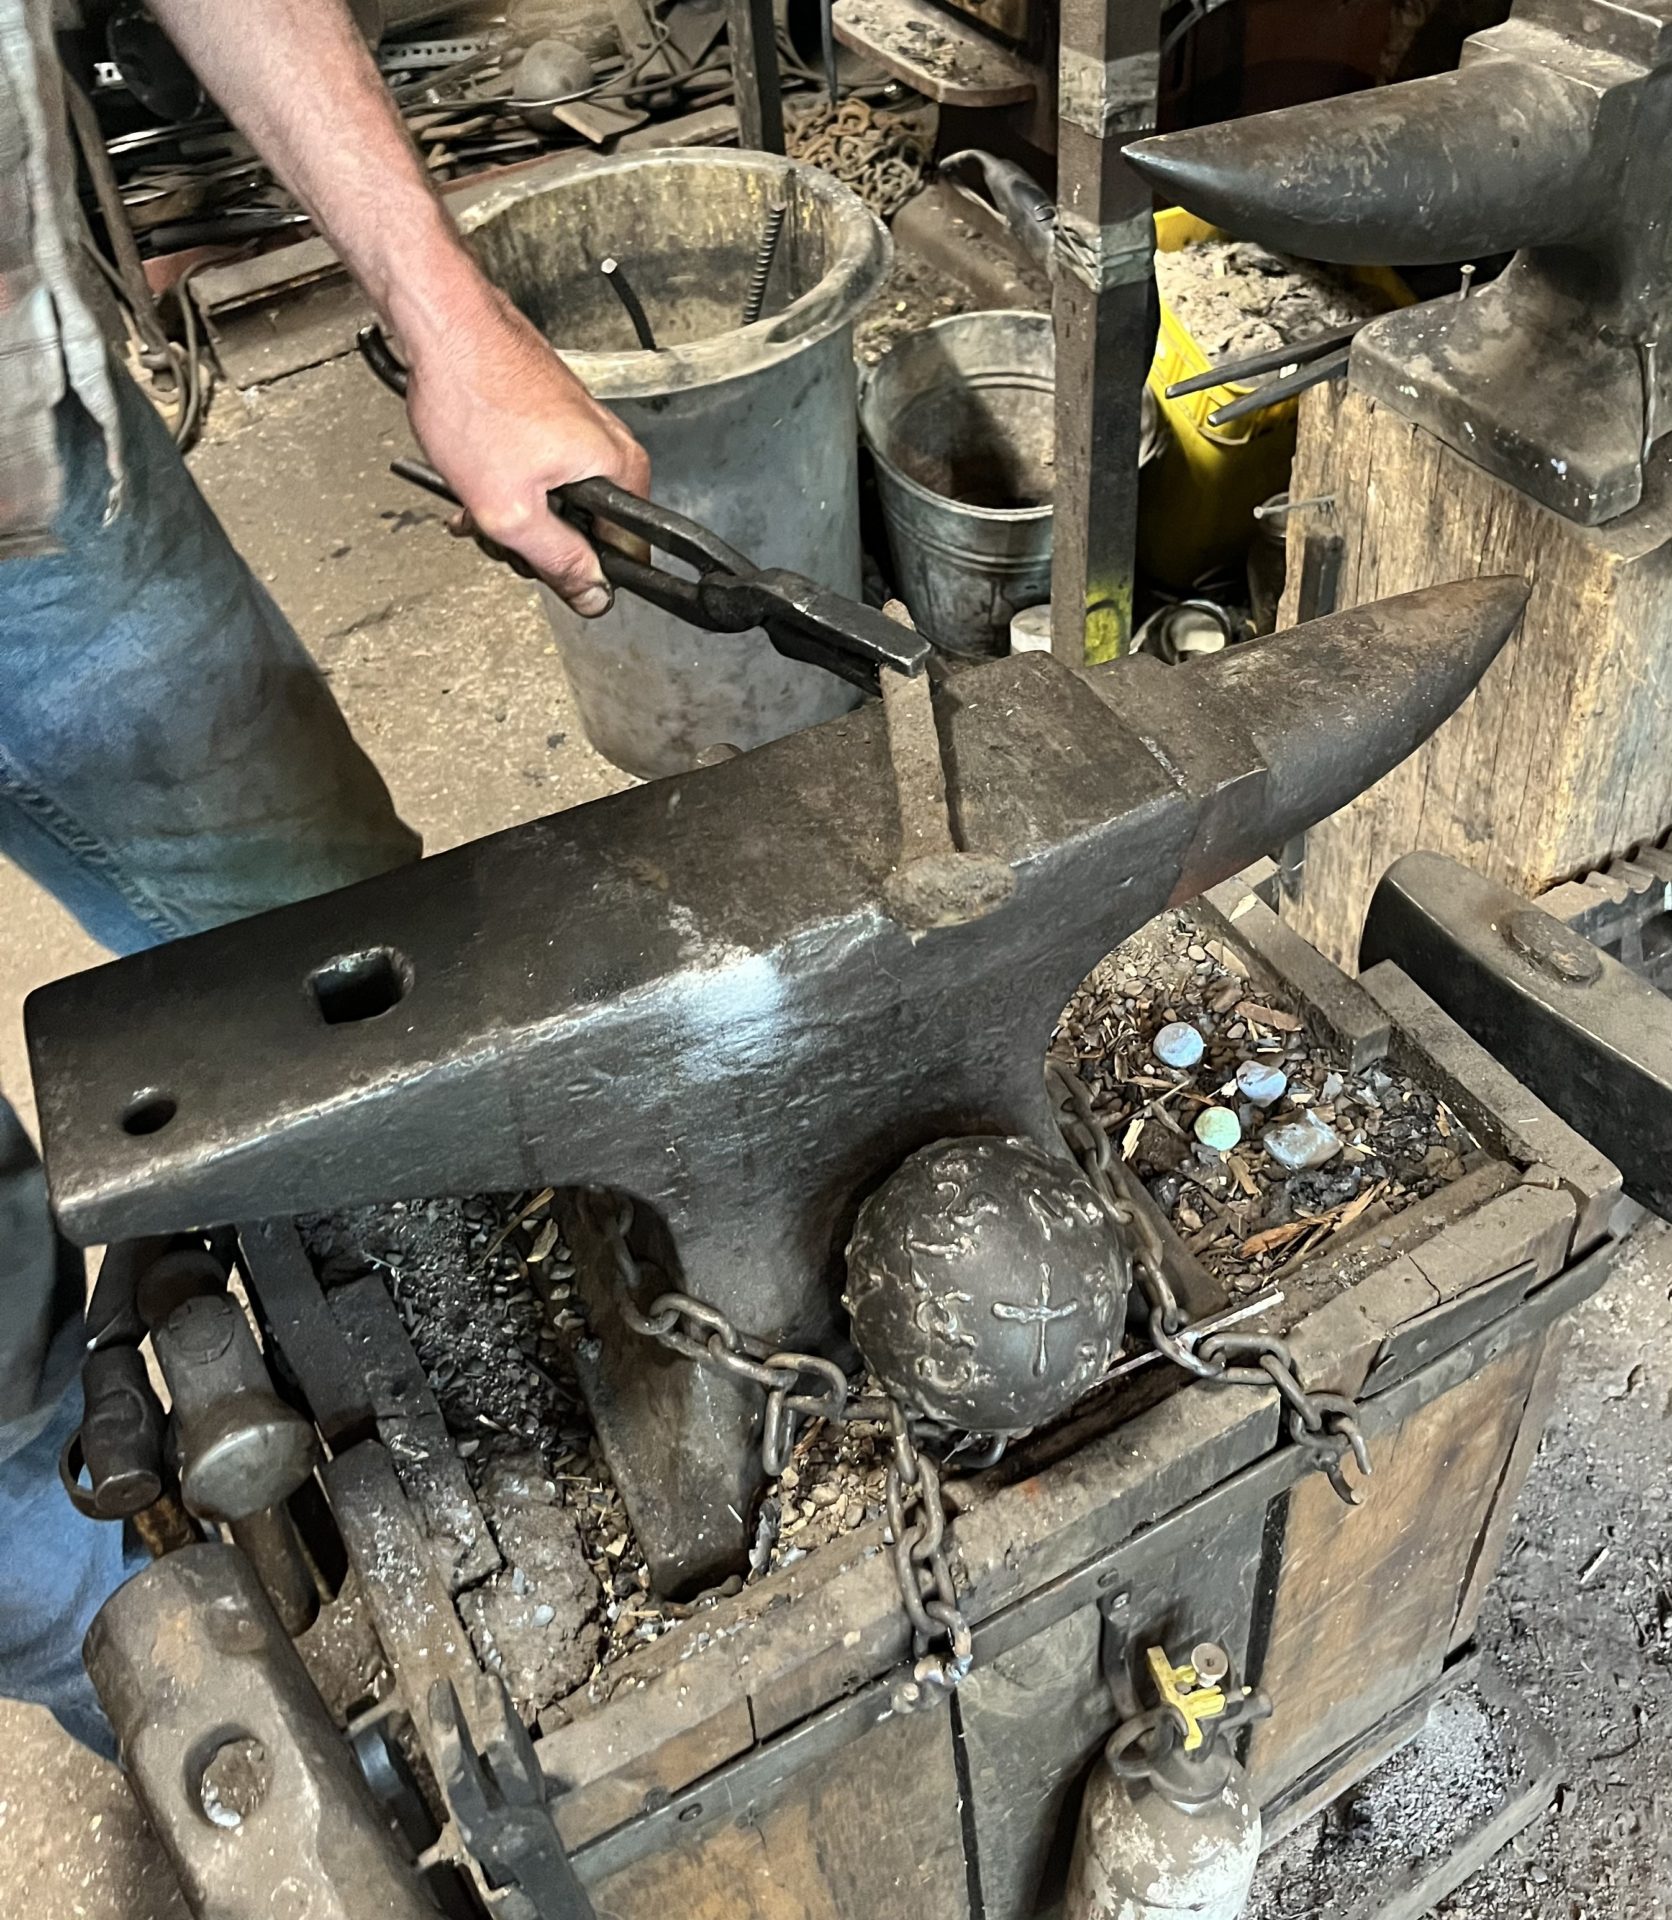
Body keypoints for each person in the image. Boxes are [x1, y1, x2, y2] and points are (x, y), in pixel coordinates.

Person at [0, 0, 649, 1755]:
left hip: (27, 462)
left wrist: (448, 307)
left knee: (369, 984)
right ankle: (253, 1763)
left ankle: (564, 1575)